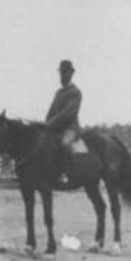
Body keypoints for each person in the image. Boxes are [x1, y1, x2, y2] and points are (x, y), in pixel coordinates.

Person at [46, 59, 83, 188]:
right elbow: (51, 111)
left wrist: (50, 124)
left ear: (71, 74)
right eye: (61, 73)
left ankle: (65, 175)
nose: (62, 76)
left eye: (65, 73)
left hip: (70, 128)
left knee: (65, 143)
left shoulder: (75, 92)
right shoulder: (58, 93)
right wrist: (44, 126)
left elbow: (67, 113)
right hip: (55, 128)